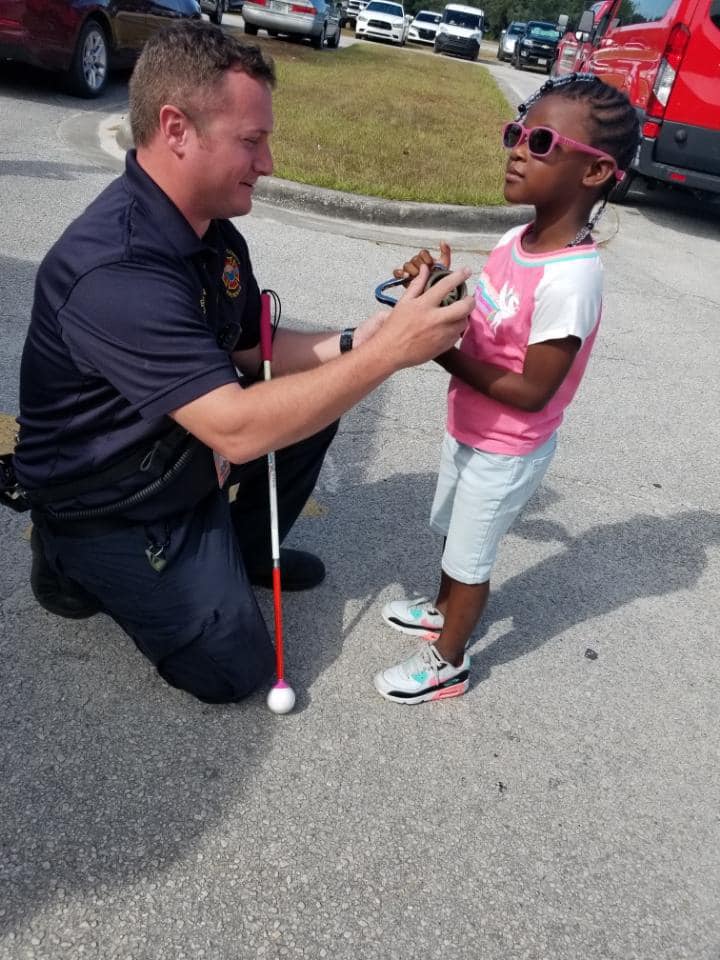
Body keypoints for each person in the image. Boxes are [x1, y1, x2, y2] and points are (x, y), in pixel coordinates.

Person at [12, 21, 473, 704]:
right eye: (252, 141)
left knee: (314, 395)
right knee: (232, 669)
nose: (269, 163)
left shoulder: (213, 231)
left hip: (175, 441)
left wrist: (364, 340)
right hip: (108, 494)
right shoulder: (116, 270)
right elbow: (235, 429)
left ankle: (242, 549)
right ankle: (65, 556)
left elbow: (253, 350)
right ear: (176, 129)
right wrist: (390, 356)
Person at [373, 74, 640, 705]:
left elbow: (530, 392)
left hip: (507, 447)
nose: (518, 149)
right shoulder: (511, 242)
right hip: (469, 425)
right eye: (516, 133)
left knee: (472, 559)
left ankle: (448, 661)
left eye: (541, 142)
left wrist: (436, 349)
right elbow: (489, 322)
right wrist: (441, 291)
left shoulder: (572, 279)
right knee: (453, 530)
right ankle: (443, 610)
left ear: (595, 172)